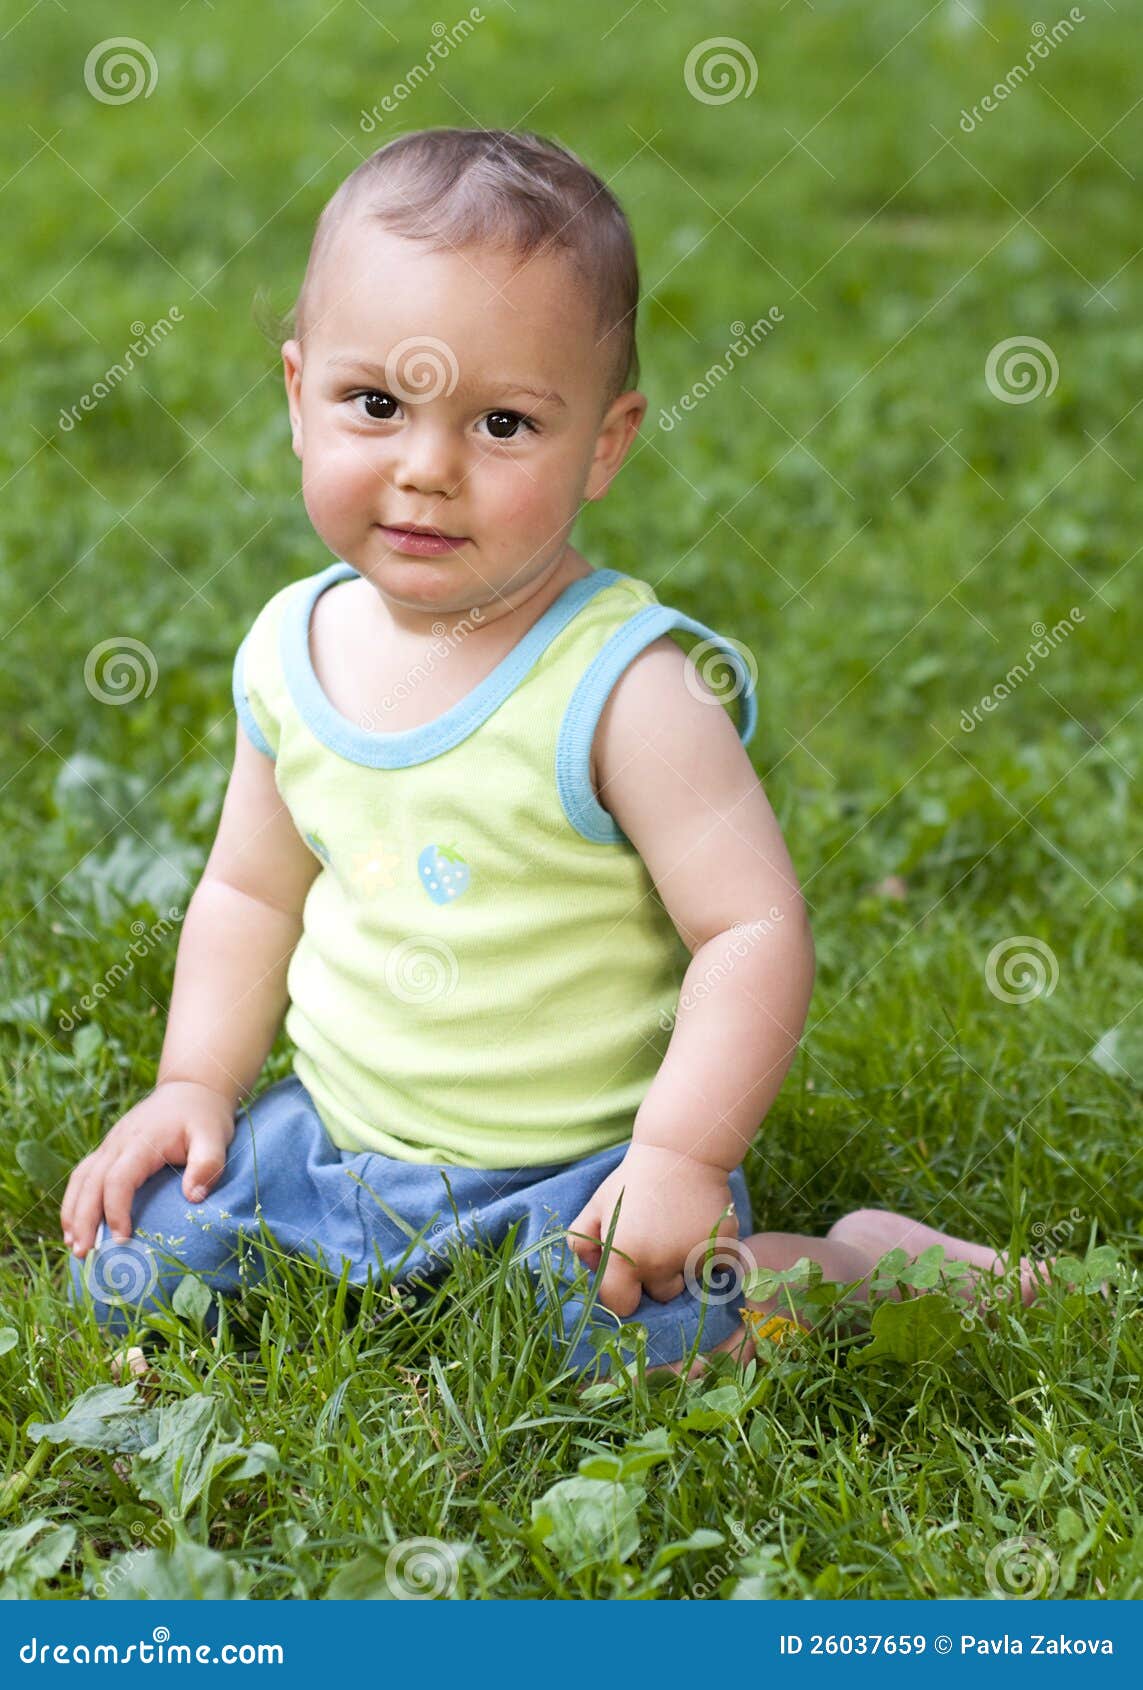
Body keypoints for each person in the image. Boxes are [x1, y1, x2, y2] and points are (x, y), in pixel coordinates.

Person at [61, 129, 1046, 1378]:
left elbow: (752, 932)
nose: (428, 468)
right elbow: (252, 890)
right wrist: (196, 1079)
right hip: (332, 1146)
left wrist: (678, 1161)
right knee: (135, 1254)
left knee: (655, 1344)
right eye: (377, 404)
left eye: (505, 423)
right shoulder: (288, 650)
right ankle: (330, 1222)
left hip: (578, 1174)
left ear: (605, 443)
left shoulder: (627, 687)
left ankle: (855, 1259)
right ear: (296, 396)